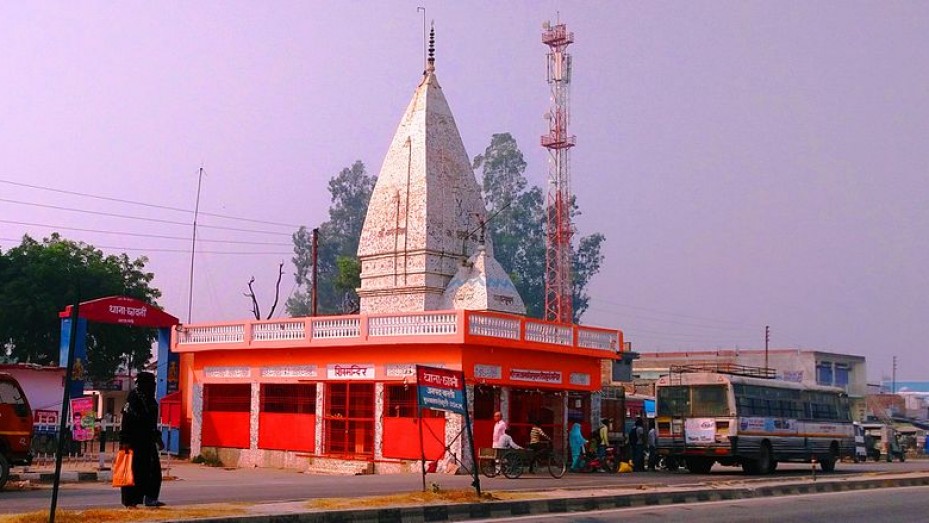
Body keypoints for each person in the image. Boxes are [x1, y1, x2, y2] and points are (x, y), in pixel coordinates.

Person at [119, 372, 165, 508]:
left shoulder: (151, 400)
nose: (154, 387)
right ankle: (130, 502)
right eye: (151, 384)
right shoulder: (134, 398)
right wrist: (125, 440)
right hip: (133, 441)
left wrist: (157, 438)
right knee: (132, 472)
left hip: (148, 442)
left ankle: (151, 498)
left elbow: (151, 423)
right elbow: (126, 421)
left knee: (154, 472)